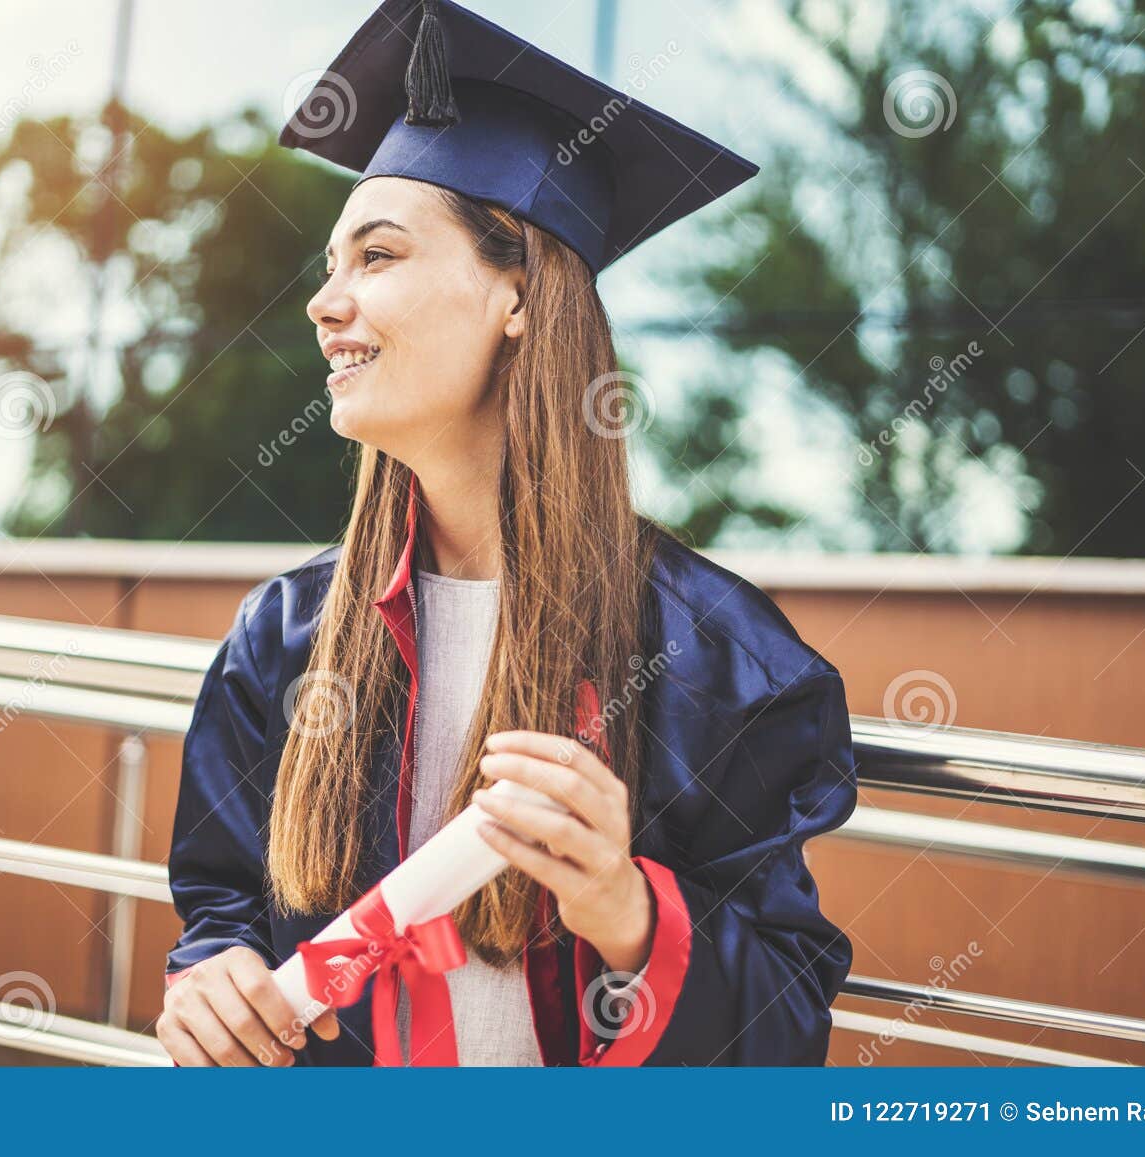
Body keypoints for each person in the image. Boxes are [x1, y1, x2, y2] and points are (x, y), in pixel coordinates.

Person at [157, 0, 857, 1067]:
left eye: (377, 256)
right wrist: (212, 979)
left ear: (517, 297)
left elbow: (784, 1040)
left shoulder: (720, 661)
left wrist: (626, 909)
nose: (323, 303)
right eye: (330, 265)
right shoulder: (284, 638)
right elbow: (225, 910)